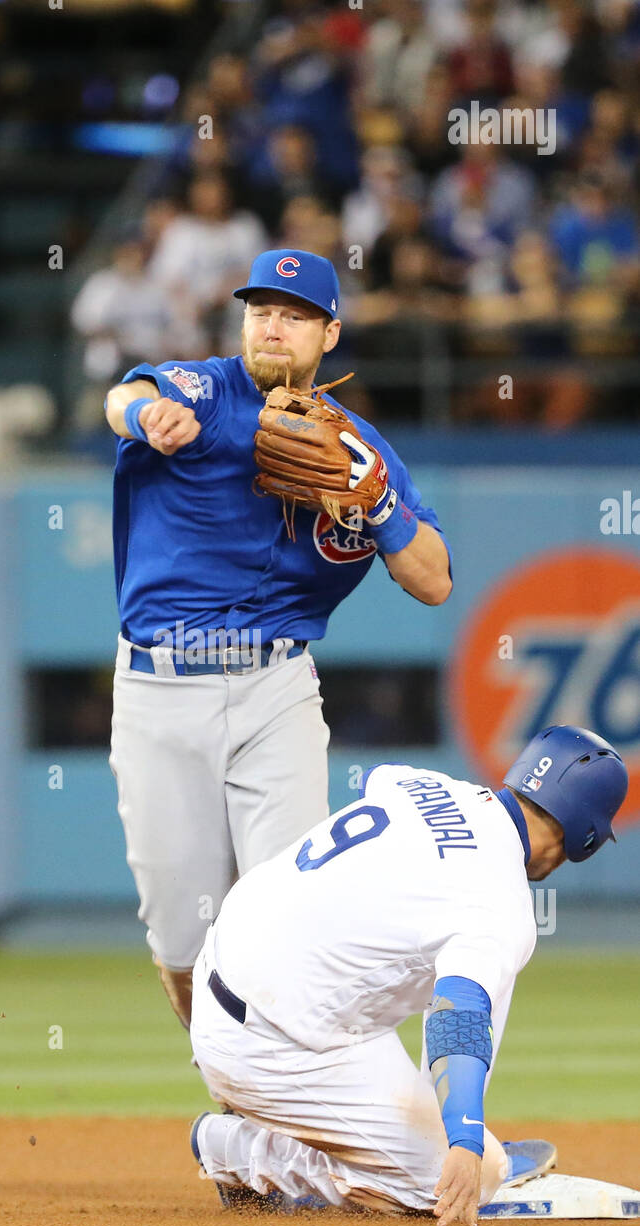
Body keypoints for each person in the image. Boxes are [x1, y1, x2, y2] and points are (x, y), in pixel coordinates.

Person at [104, 249, 452, 1029]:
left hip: (275, 689)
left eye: (294, 316)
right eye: (261, 310)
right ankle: (230, 1090)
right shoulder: (204, 391)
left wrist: (376, 503)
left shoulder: (362, 447)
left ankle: (297, 1112)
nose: (272, 326)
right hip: (161, 689)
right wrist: (142, 416)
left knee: (291, 916)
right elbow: (122, 396)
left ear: (329, 333)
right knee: (182, 935)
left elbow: (433, 579)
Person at [188, 725, 628, 1226]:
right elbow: (456, 1017)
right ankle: (241, 1151)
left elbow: (378, 778)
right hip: (269, 1047)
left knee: (478, 957)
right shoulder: (499, 900)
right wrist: (463, 1143)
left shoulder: (430, 785)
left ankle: (432, 1131)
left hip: (225, 971)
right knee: (461, 1181)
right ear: (586, 836)